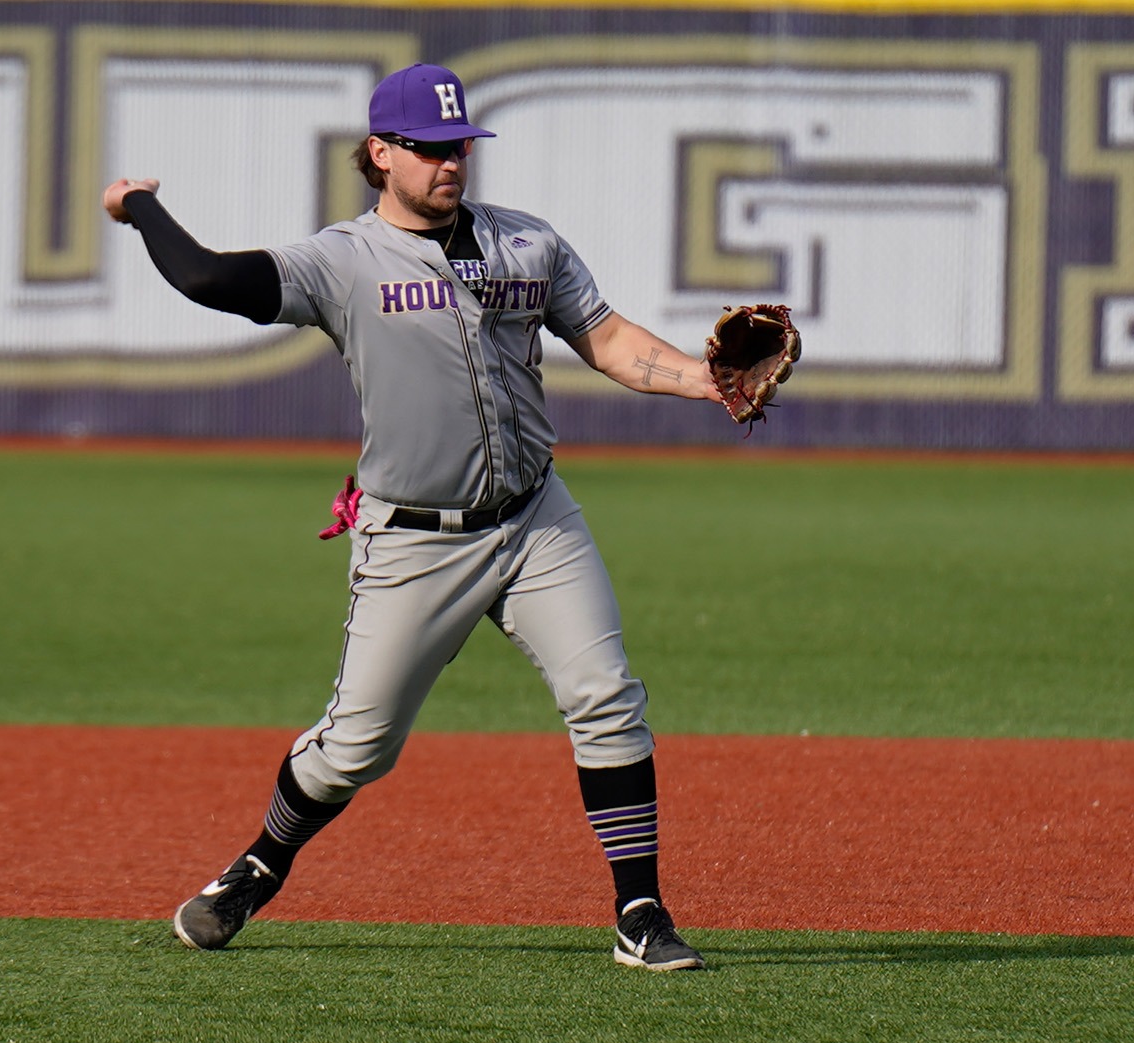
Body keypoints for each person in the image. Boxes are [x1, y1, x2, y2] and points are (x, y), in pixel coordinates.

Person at [103, 62, 724, 971]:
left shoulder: (528, 244)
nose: (451, 163)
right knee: (355, 748)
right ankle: (258, 865)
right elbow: (206, 279)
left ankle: (641, 912)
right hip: (415, 540)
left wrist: (703, 380)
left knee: (607, 702)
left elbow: (611, 339)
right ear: (381, 154)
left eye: (460, 147)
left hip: (535, 518)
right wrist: (141, 207)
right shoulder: (343, 261)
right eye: (430, 149)